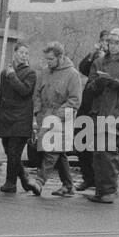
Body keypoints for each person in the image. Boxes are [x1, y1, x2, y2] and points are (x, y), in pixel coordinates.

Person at [82, 27, 119, 204]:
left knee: (108, 153)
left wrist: (116, 83)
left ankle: (109, 189)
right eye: (110, 42)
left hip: (116, 112)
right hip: (98, 112)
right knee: (98, 154)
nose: (112, 46)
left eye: (116, 43)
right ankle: (101, 189)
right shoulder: (99, 62)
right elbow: (89, 88)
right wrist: (99, 82)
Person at [33, 41, 82, 196]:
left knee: (52, 151)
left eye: (51, 59)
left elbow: (74, 100)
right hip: (45, 116)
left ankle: (39, 182)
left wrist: (56, 116)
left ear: (60, 57)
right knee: (59, 153)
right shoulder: (44, 72)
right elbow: (37, 94)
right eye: (46, 59)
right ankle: (68, 186)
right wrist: (38, 113)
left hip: (62, 118)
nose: (48, 62)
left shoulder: (72, 75)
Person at [0, 41, 40, 195]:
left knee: (14, 152)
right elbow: (1, 95)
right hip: (6, 117)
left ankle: (10, 183)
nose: (24, 56)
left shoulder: (30, 73)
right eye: (21, 52)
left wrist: (12, 76)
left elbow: (25, 91)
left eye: (26, 53)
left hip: (20, 118)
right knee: (9, 151)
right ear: (14, 53)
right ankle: (25, 179)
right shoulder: (5, 72)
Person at [75, 30, 112, 190]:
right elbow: (82, 68)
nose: (105, 43)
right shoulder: (95, 58)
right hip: (87, 104)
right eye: (103, 40)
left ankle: (100, 180)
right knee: (80, 141)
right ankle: (87, 177)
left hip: (103, 106)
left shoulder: (115, 61)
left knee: (99, 146)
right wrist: (93, 55)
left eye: (108, 41)